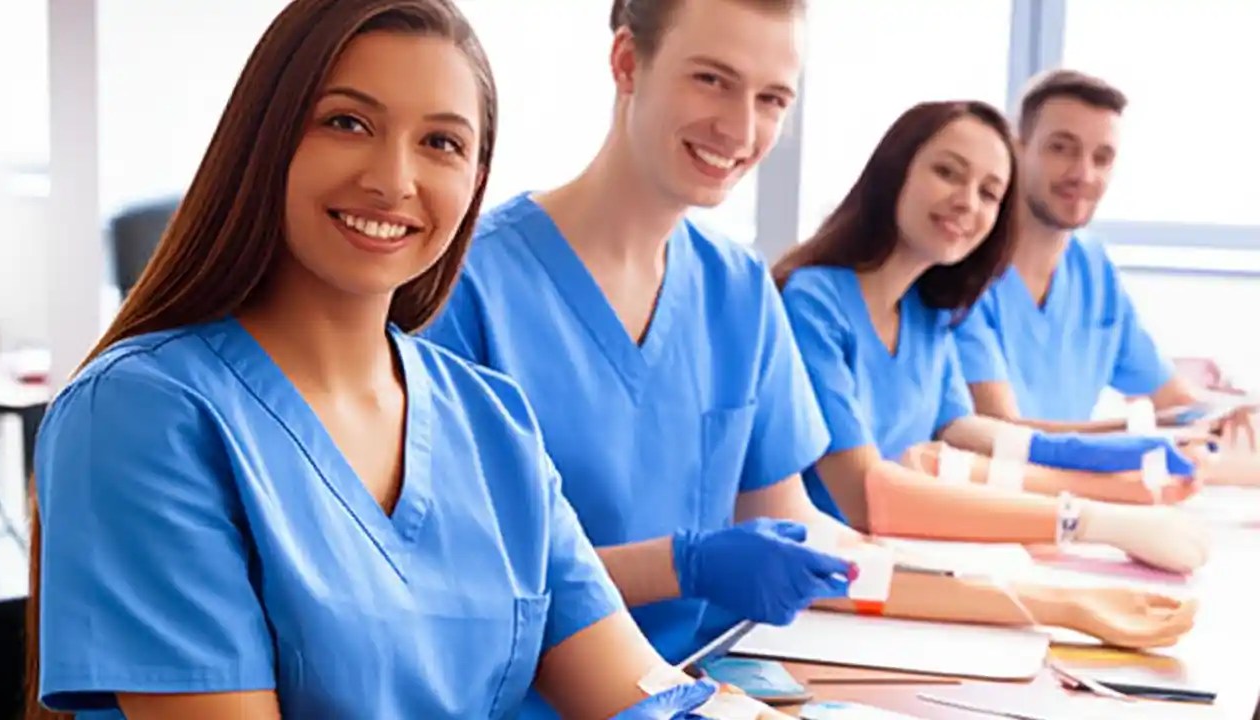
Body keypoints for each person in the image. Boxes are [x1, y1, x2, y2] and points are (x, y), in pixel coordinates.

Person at [423, 5, 1198, 717]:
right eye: (712, 80)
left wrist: (1051, 604)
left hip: (711, 675)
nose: (740, 127)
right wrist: (682, 565)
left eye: (772, 99)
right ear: (627, 63)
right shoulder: (468, 289)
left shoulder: (737, 289)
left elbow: (805, 538)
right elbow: (477, 584)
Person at [25, 2, 752, 718]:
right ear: (267, 140)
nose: (393, 180)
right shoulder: (141, 417)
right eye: (348, 123)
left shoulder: (490, 421)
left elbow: (637, 693)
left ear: (474, 182)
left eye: (442, 143)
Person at [773, 100, 1208, 575]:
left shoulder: (925, 313)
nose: (967, 202)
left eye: (989, 192)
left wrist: (1097, 464)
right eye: (947, 172)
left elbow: (968, 435)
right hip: (817, 579)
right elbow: (865, 495)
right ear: (894, 172)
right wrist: (1085, 518)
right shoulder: (813, 303)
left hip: (890, 565)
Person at [953, 69, 1256, 449]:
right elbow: (1000, 429)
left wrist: (1232, 409)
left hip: (1073, 492)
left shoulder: (1092, 267)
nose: (1083, 173)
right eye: (1061, 148)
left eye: (1102, 157)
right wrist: (1146, 428)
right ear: (1018, 149)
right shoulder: (966, 269)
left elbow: (1176, 399)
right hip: (995, 491)